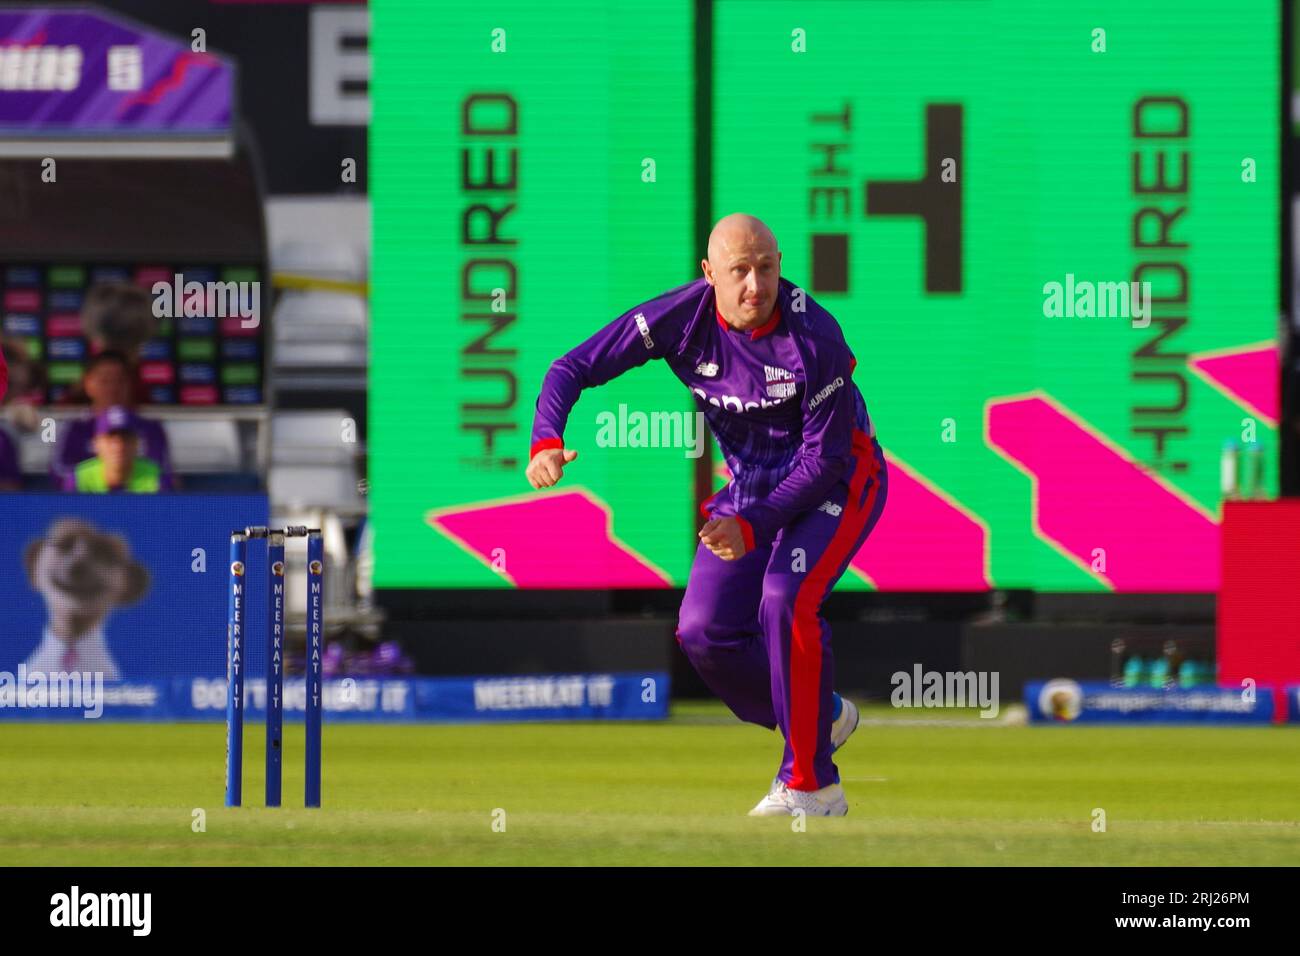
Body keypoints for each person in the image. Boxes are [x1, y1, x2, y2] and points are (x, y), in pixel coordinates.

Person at [527, 213, 889, 817]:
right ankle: (820, 717)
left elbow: (823, 462)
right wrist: (545, 439)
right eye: (739, 271)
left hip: (841, 477)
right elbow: (572, 367)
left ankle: (811, 785)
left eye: (767, 268)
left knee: (785, 595)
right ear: (709, 274)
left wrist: (752, 526)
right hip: (751, 485)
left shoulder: (815, 337)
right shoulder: (679, 318)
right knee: (703, 633)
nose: (756, 285)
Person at [52, 350, 173, 489]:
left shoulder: (151, 428)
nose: (113, 388)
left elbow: (161, 475)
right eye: (105, 381)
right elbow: (59, 472)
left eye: (120, 381)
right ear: (88, 384)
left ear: (130, 384)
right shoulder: (75, 428)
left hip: (141, 503)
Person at [65, 406, 167, 493]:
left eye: (126, 438)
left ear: (137, 443)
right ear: (96, 444)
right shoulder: (79, 479)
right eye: (110, 439)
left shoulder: (157, 477)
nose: (119, 447)